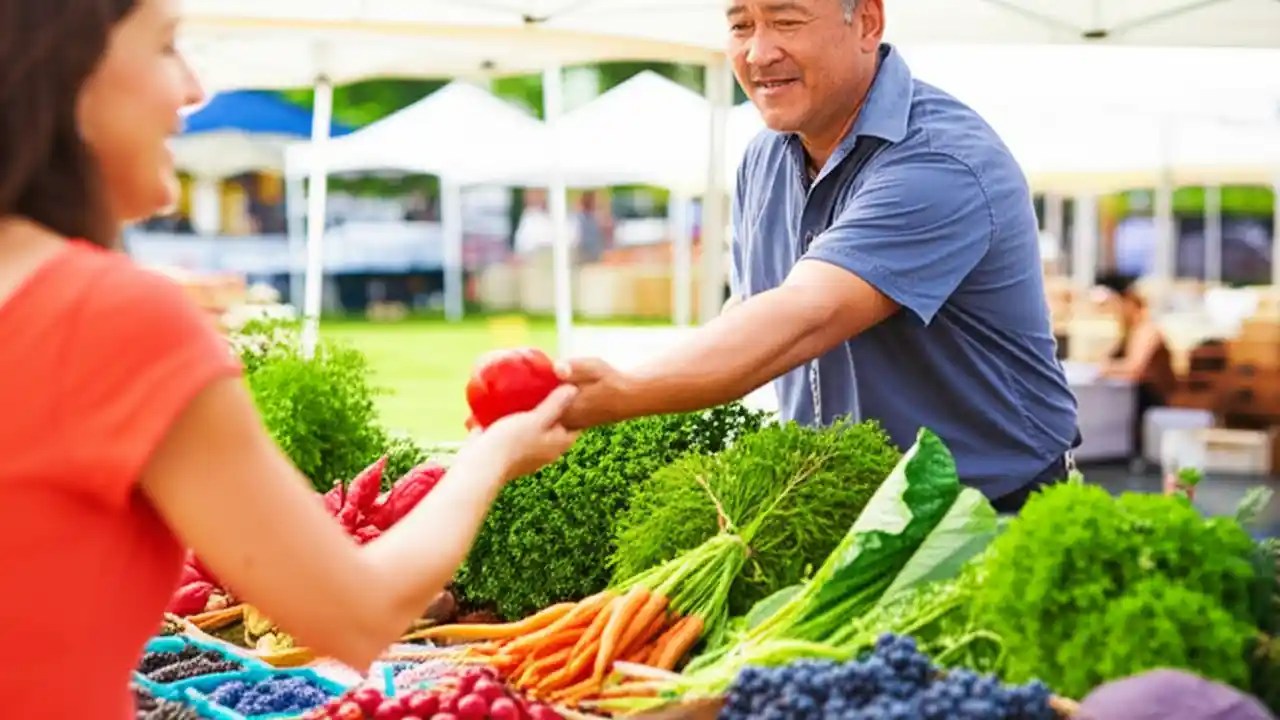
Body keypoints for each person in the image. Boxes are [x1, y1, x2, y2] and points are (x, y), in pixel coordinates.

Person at [0, 1, 579, 717]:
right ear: (65, 69)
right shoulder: (112, 320)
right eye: (165, 47)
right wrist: (492, 455)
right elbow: (355, 613)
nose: (193, 88)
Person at [555, 0, 1080, 512]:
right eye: (741, 25)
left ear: (867, 23)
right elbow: (752, 310)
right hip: (844, 508)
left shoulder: (940, 160)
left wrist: (625, 393)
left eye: (787, 21)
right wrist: (637, 384)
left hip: (989, 509)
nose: (759, 52)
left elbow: (807, 314)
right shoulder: (765, 157)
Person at [1095, 271, 1177, 461]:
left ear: (1130, 304)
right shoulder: (1127, 333)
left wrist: (1107, 369)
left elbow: (1135, 369)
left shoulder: (1147, 331)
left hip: (1150, 400)